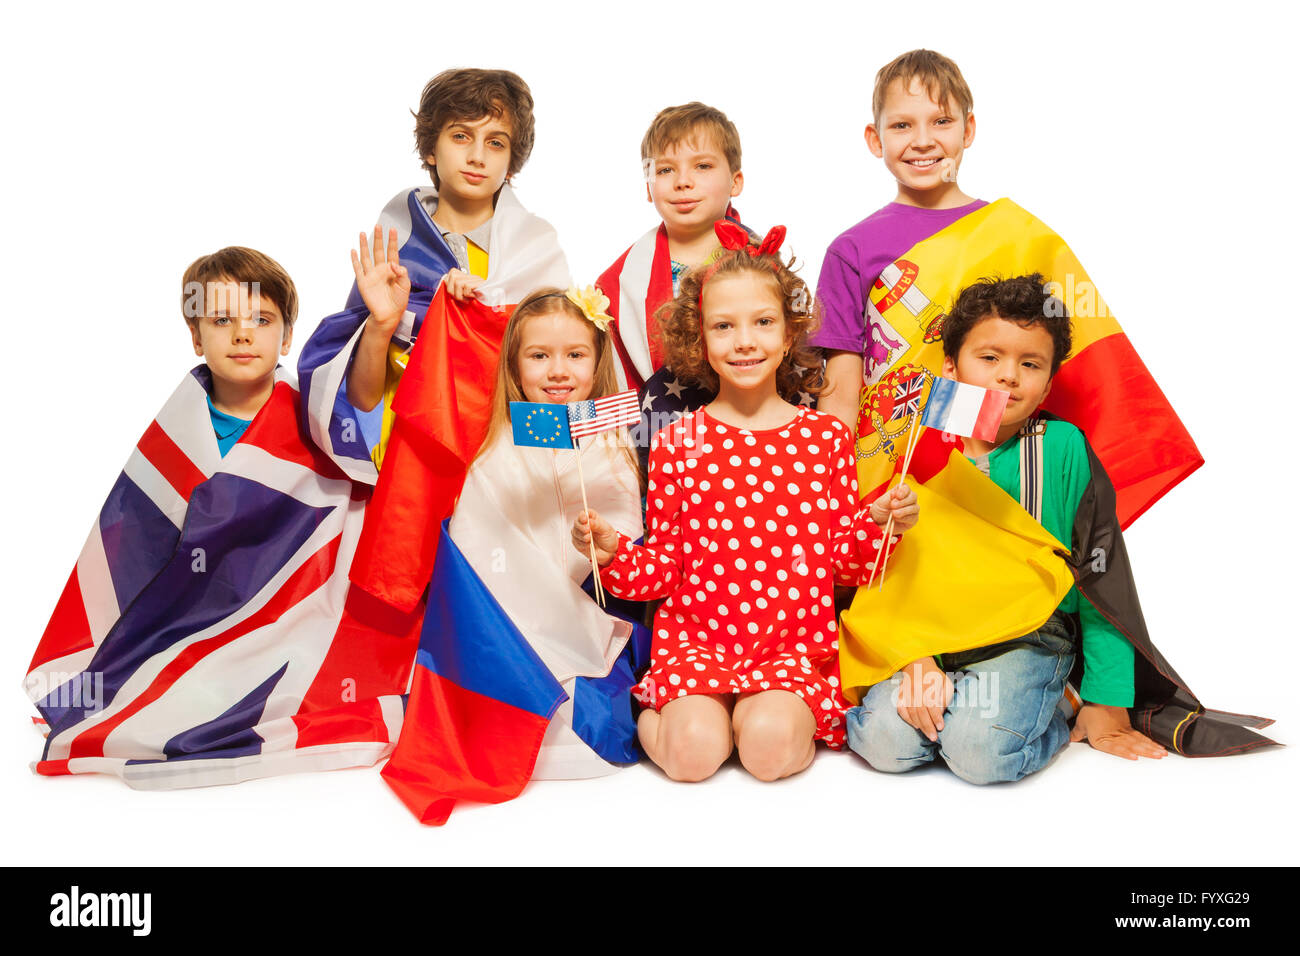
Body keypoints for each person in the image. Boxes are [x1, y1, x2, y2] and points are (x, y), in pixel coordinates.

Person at [845, 275, 1276, 776]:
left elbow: (1102, 575)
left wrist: (1105, 701)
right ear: (950, 368)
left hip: (1028, 635)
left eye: (1029, 365)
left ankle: (1062, 707)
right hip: (929, 636)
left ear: (1048, 384)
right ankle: (968, 704)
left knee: (980, 755)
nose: (1008, 377)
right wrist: (916, 658)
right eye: (989, 358)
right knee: (884, 745)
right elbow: (892, 577)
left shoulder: (1061, 447)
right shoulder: (918, 447)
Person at [24, 248, 422, 789]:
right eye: (222, 320)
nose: (242, 335)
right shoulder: (177, 428)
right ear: (196, 338)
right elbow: (135, 544)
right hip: (187, 619)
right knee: (142, 706)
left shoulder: (315, 414)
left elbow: (365, 403)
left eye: (261, 321)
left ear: (285, 339)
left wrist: (379, 329)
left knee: (272, 688)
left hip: (297, 615)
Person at [573, 224, 918, 783]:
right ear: (700, 341)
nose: (744, 341)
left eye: (762, 322)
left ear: (788, 336)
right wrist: (614, 553)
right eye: (724, 327)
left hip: (789, 652)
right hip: (696, 645)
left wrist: (878, 523)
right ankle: (665, 720)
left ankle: (762, 724)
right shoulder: (678, 440)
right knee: (690, 755)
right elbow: (664, 566)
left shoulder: (825, 438)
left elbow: (844, 565)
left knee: (766, 750)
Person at [297, 67, 570, 612]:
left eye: (496, 143)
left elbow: (560, 389)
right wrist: (384, 321)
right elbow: (363, 401)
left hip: (503, 461)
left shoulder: (536, 253)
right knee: (402, 611)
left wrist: (487, 317)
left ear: (512, 163)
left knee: (493, 614)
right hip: (407, 456)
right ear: (431, 147)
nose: (477, 156)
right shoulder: (393, 251)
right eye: (460, 136)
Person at [596, 102, 748, 393]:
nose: (682, 182)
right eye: (665, 170)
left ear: (735, 182)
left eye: (702, 166)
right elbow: (611, 379)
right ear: (648, 187)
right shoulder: (617, 285)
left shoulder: (763, 260)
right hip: (657, 428)